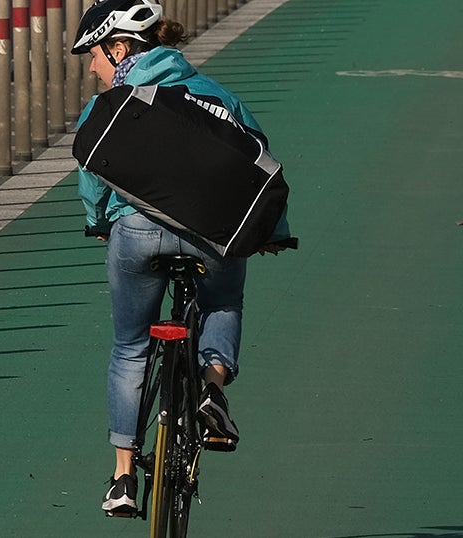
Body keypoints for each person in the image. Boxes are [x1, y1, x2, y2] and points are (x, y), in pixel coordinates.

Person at [70, 0, 292, 516]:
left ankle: (124, 477)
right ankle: (212, 388)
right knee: (223, 302)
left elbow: (92, 170)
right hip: (213, 236)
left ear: (119, 48)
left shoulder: (114, 101)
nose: (92, 67)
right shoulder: (218, 95)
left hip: (136, 235)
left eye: (95, 55)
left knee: (131, 348)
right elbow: (259, 165)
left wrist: (100, 222)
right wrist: (272, 233)